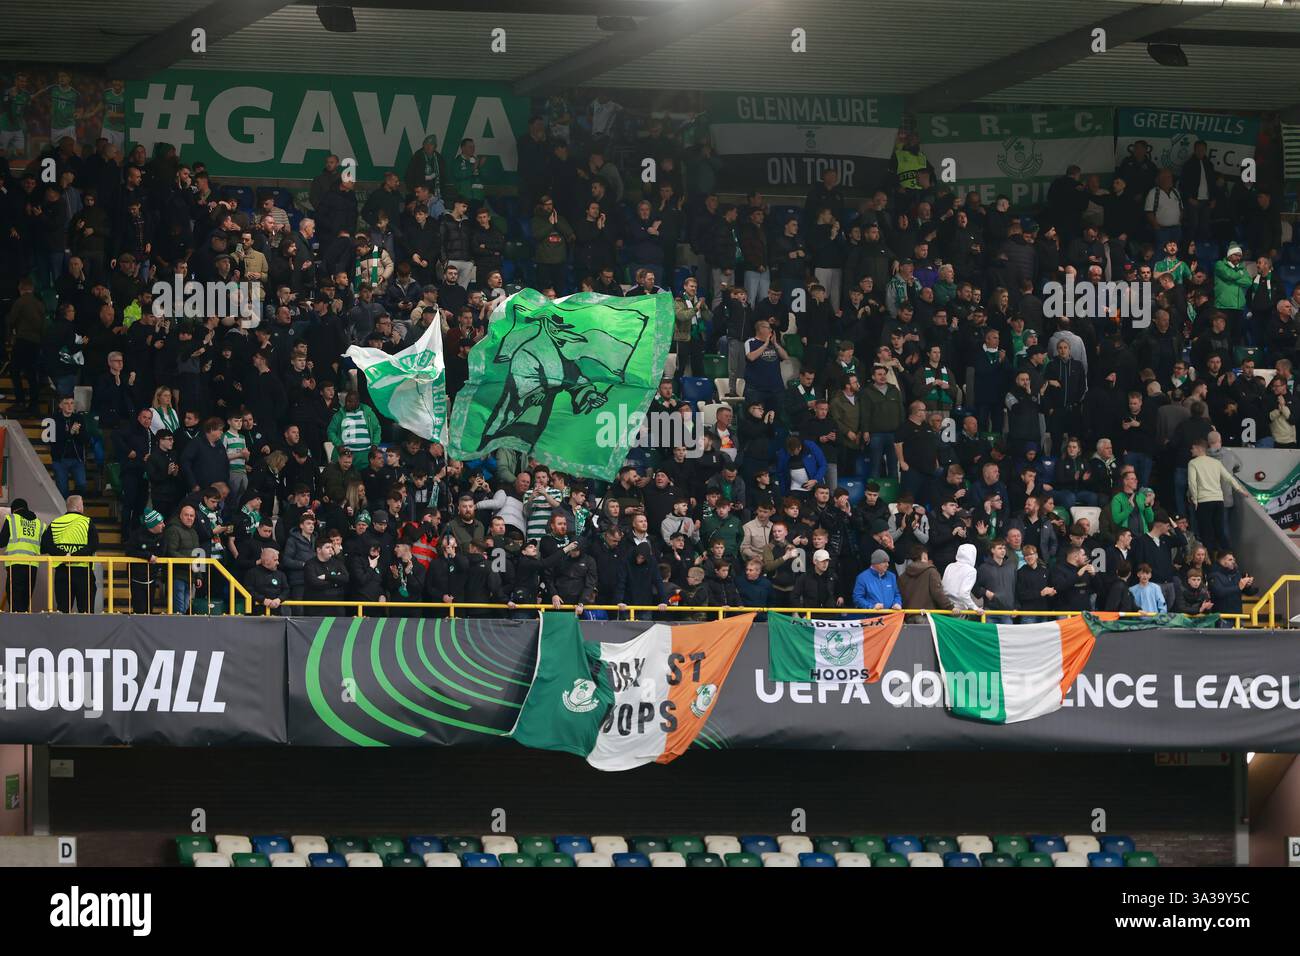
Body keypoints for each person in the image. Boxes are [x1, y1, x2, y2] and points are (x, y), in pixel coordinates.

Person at [41, 495, 99, 613]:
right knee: (86, 611)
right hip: (83, 572)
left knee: (63, 611)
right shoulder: (87, 522)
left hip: (62, 572)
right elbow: (93, 545)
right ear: (78, 507)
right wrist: (75, 556)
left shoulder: (55, 523)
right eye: (82, 504)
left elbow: (44, 546)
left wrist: (64, 555)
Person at [0, 498, 44, 612]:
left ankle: (15, 627)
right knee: (25, 601)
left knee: (14, 602)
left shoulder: (12, 519)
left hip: (16, 564)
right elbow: (44, 546)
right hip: (32, 566)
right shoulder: (39, 523)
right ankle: (23, 626)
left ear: (13, 510)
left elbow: (2, 542)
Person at [1208, 550, 1256, 626]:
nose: (1233, 561)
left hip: (1238, 616)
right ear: (1222, 561)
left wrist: (1247, 586)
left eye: (1233, 559)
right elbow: (1219, 592)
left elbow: (1249, 593)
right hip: (1222, 617)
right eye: (1230, 560)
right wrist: (1238, 587)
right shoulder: (1214, 575)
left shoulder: (1237, 574)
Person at [940, 542, 980, 611]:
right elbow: (963, 593)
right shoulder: (971, 570)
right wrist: (975, 608)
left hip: (946, 606)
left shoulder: (950, 566)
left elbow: (943, 587)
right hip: (959, 609)